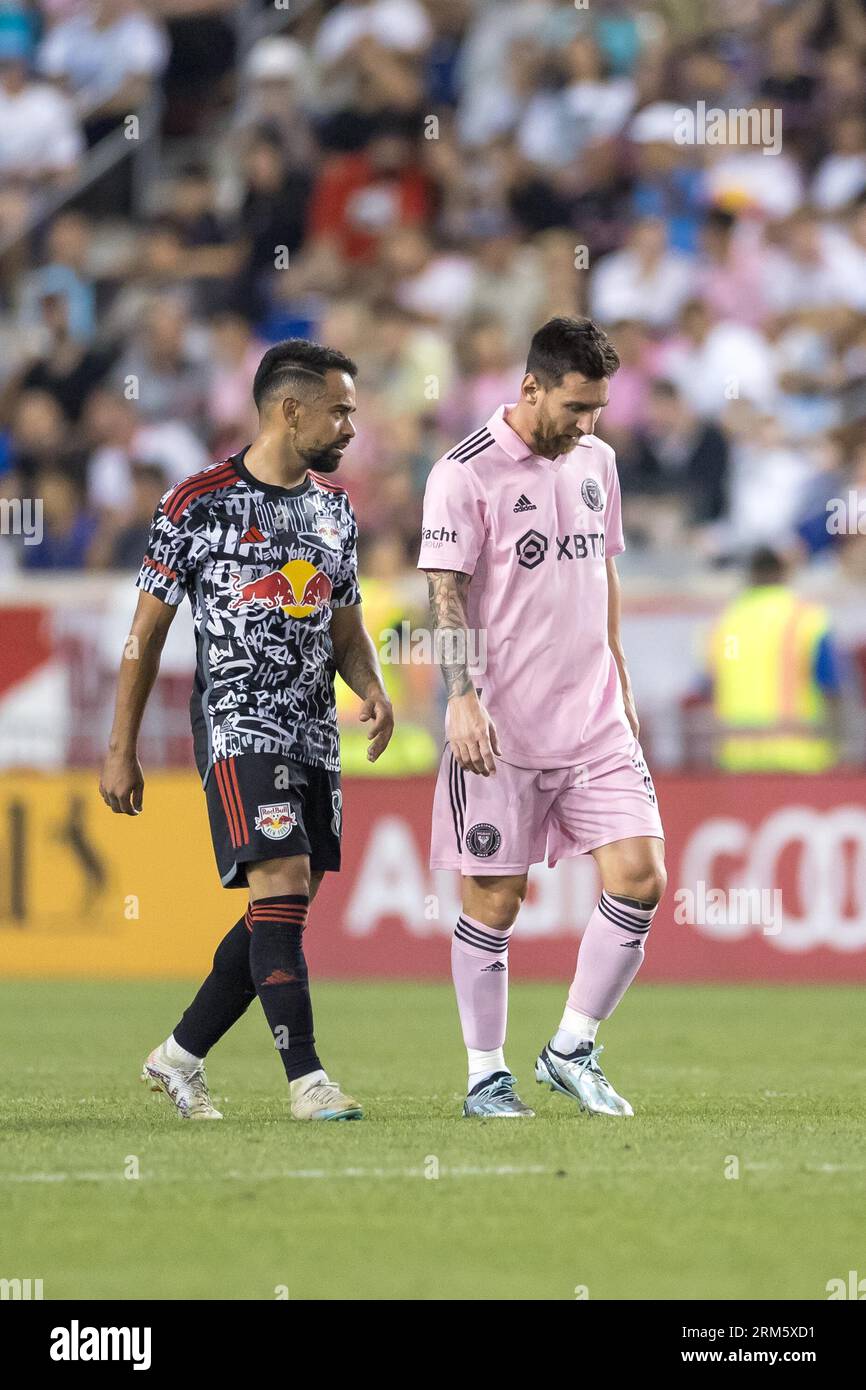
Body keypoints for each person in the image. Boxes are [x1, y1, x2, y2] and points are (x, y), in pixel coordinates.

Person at [99, 339, 394, 1120]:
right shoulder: (196, 501)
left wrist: (374, 688)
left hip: (315, 732)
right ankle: (308, 1080)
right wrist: (120, 746)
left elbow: (345, 628)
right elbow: (145, 635)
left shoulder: (335, 509)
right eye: (341, 410)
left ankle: (178, 1057)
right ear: (289, 409)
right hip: (238, 725)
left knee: (282, 906)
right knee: (282, 889)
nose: (351, 427)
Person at [418, 316, 665, 1119]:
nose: (586, 425)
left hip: (594, 719)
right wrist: (460, 695)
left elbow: (604, 570)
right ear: (530, 387)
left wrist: (621, 677)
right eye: (575, 407)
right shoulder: (463, 473)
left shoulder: (599, 460)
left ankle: (571, 1048)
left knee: (641, 878)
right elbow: (445, 594)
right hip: (500, 728)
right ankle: (485, 1076)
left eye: (597, 408)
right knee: (495, 902)